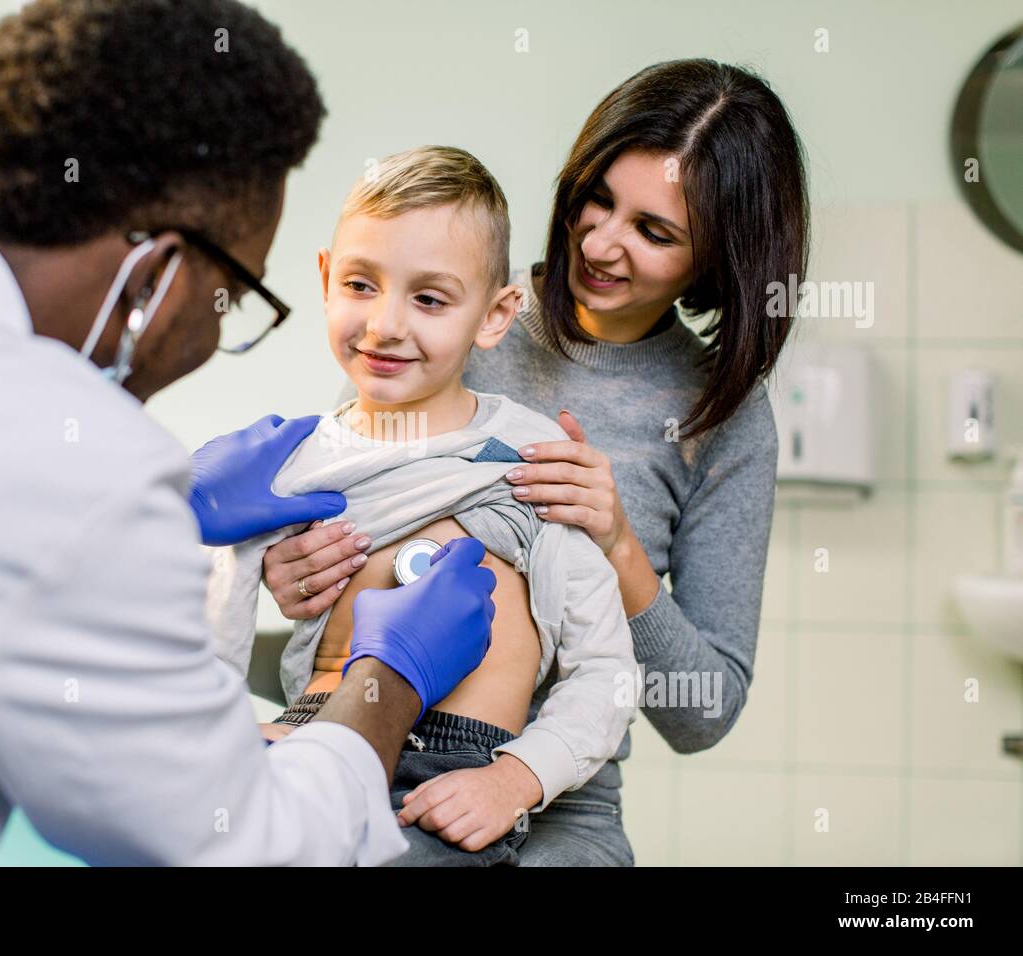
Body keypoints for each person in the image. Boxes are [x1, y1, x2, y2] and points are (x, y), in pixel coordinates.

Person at [0, 0, 497, 867]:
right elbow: (250, 846)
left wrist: (170, 519)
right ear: (155, 274)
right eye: (231, 299)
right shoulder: (71, 476)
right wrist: (388, 677)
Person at [260, 59, 810, 865]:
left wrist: (618, 547)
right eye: (597, 198)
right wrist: (292, 573)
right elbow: (331, 536)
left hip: (560, 810)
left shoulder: (722, 420)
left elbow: (705, 714)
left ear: (717, 259)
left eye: (654, 233)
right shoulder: (447, 312)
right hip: (354, 749)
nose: (601, 242)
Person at [204, 146, 637, 865]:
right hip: (313, 732)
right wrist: (220, 745)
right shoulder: (291, 461)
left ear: (496, 315)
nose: (385, 325)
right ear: (323, 280)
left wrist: (516, 779)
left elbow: (606, 671)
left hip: (457, 776)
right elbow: (214, 640)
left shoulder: (536, 463)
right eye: (360, 284)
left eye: (429, 298)